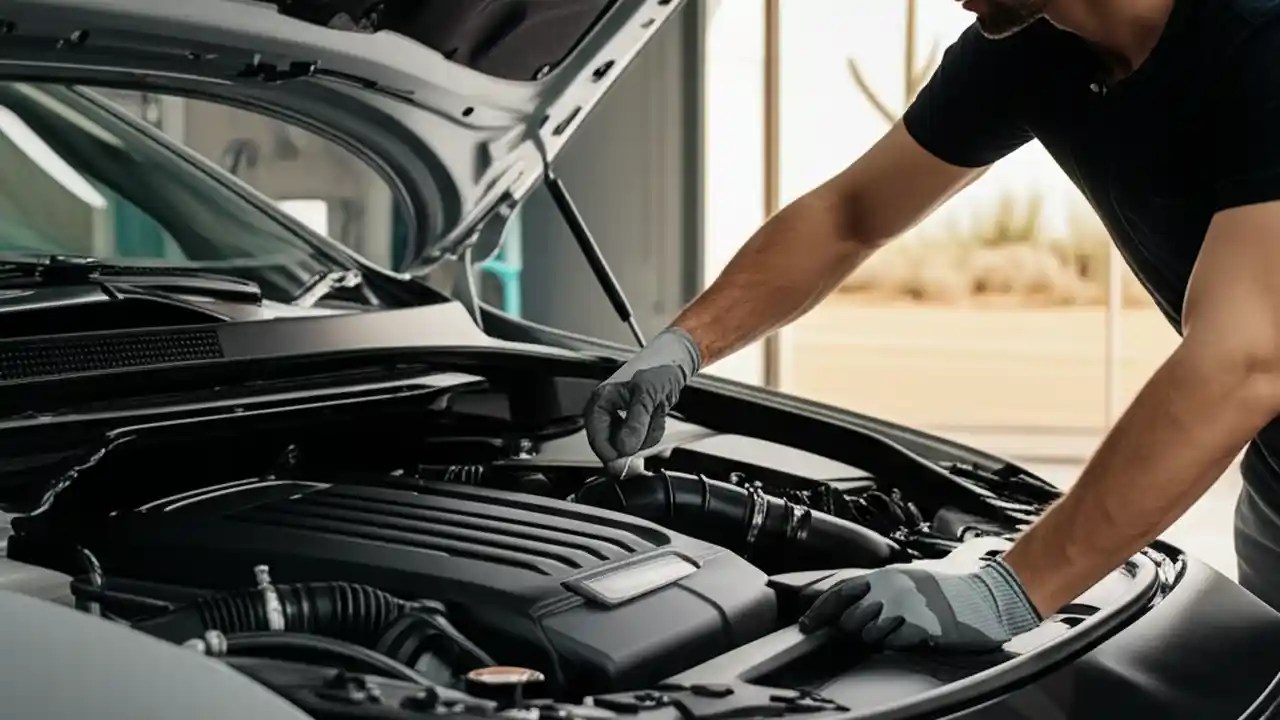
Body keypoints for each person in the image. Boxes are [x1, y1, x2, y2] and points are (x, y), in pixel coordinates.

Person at [582, 0, 1280, 652]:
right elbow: (850, 214)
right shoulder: (1034, 51)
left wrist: (1014, 588)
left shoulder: (1263, 41)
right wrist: (682, 346)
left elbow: (1244, 360)